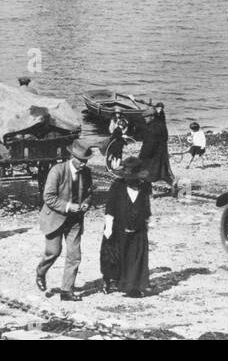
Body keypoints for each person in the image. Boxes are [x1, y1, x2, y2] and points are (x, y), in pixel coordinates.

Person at [37, 141, 94, 301]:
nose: (84, 164)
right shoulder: (57, 171)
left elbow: (89, 193)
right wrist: (68, 206)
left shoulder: (86, 172)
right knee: (53, 252)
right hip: (54, 218)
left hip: (75, 220)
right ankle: (41, 272)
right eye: (81, 160)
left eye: (86, 161)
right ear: (72, 157)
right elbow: (48, 197)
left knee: (74, 255)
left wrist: (86, 204)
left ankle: (66, 291)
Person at [101, 156, 153, 297]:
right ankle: (108, 279)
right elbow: (110, 208)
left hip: (138, 228)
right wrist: (109, 227)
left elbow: (146, 208)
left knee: (135, 257)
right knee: (114, 257)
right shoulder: (117, 186)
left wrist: (147, 223)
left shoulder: (144, 187)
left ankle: (132, 286)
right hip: (118, 228)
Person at [138, 101, 175, 188]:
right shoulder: (161, 124)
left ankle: (147, 192)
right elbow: (165, 137)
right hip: (162, 153)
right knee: (163, 173)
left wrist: (142, 156)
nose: (145, 119)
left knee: (145, 171)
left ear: (151, 117)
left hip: (152, 155)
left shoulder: (151, 128)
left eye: (146, 118)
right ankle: (173, 184)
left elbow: (149, 144)